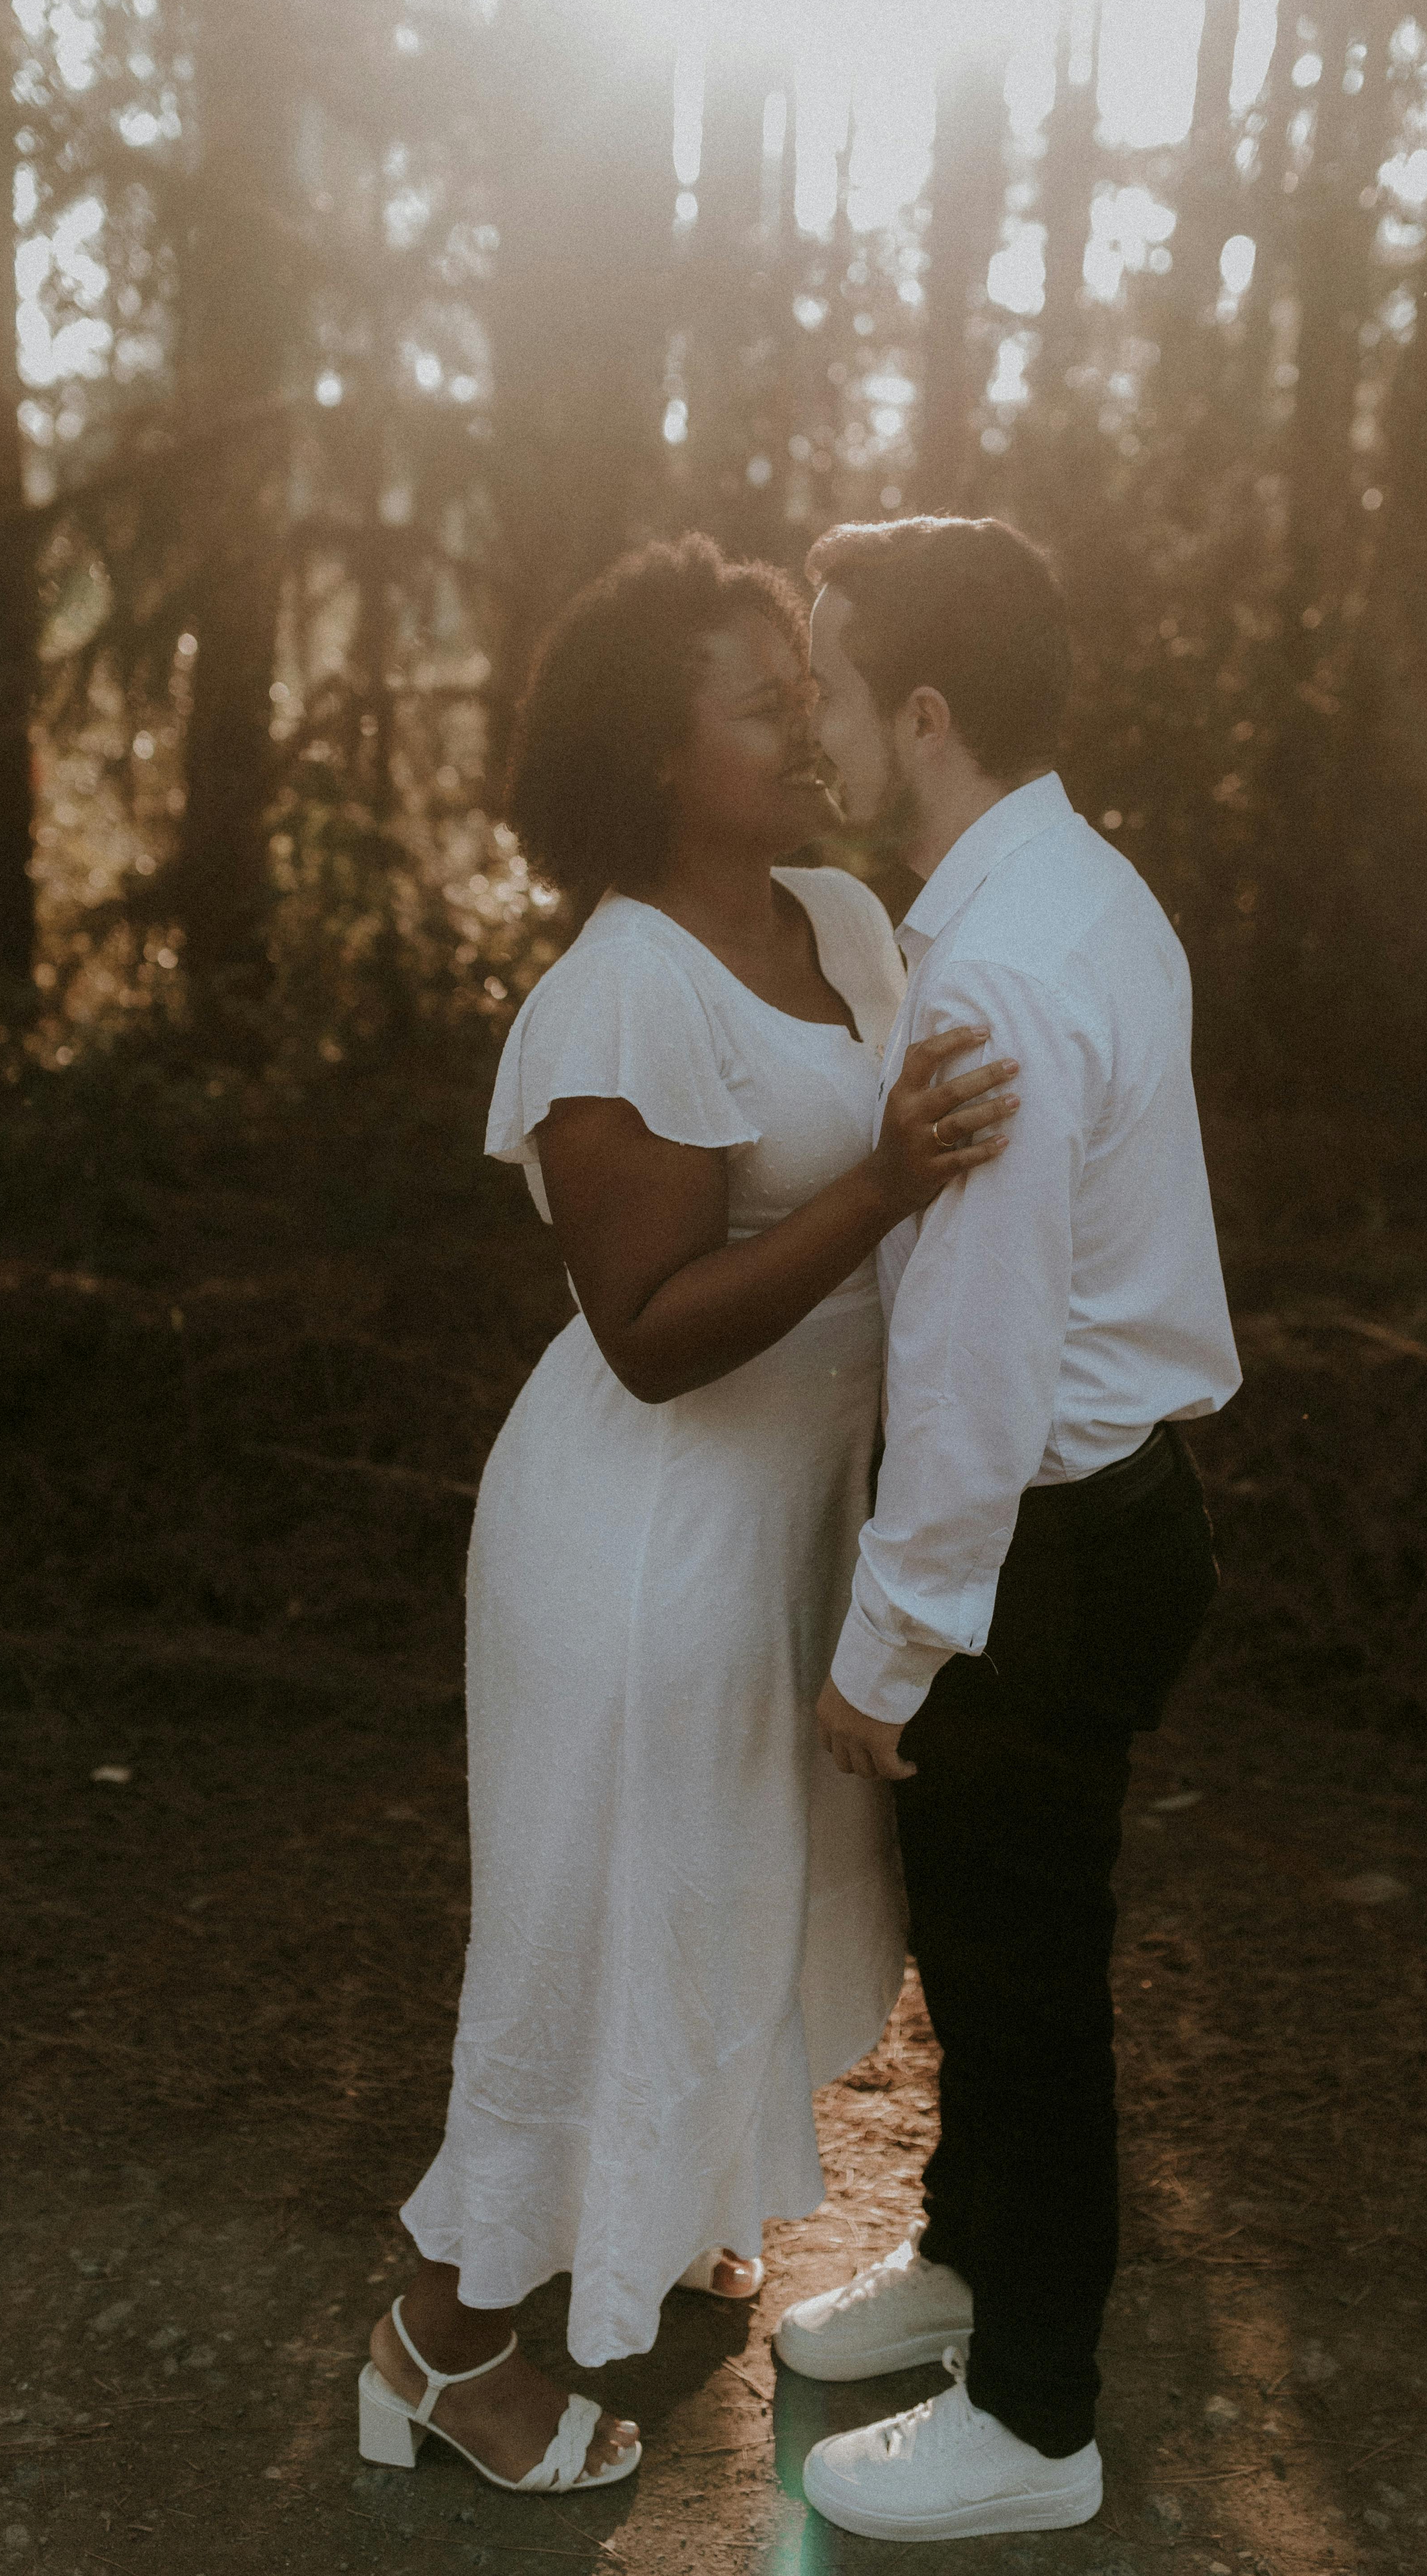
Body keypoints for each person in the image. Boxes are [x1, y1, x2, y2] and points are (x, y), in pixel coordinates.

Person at [358, 535, 1020, 2499]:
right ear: (658, 759)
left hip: (792, 1513)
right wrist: (881, 1194)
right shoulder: (610, 997)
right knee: (595, 1938)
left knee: (728, 1908)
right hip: (640, 1540)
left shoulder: (833, 910)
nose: (808, 726)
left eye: (808, 686)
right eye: (765, 702)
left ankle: (641, 2229)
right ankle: (432, 2347)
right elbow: (642, 1336)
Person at [773, 516, 1241, 2544]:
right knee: (990, 1955)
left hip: (1038, 1548)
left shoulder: (996, 965)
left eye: (826, 685)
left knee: (1025, 1981)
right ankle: (965, 2262)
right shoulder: (1077, 880)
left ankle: (1033, 2418)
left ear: (925, 713)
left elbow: (974, 1363)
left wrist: (889, 1654)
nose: (809, 726)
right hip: (1098, 1521)